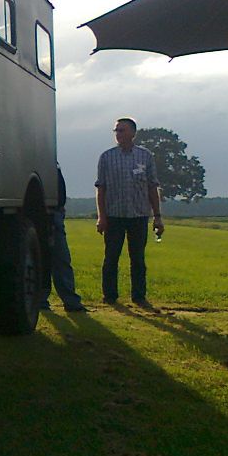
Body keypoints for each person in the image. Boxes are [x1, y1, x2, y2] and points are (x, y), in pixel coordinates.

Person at [95, 117, 164, 306]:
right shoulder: (107, 157)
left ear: (133, 133)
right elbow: (101, 189)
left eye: (122, 130)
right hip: (114, 215)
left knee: (138, 259)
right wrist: (101, 217)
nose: (118, 134)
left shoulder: (145, 156)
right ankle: (110, 296)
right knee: (111, 258)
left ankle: (139, 297)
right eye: (116, 131)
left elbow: (152, 187)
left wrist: (157, 217)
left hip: (138, 215)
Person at [42, 167, 87, 312]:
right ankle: (69, 301)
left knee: (55, 259)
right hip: (50, 213)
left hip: (53, 212)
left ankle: (44, 300)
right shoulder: (49, 164)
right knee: (59, 258)